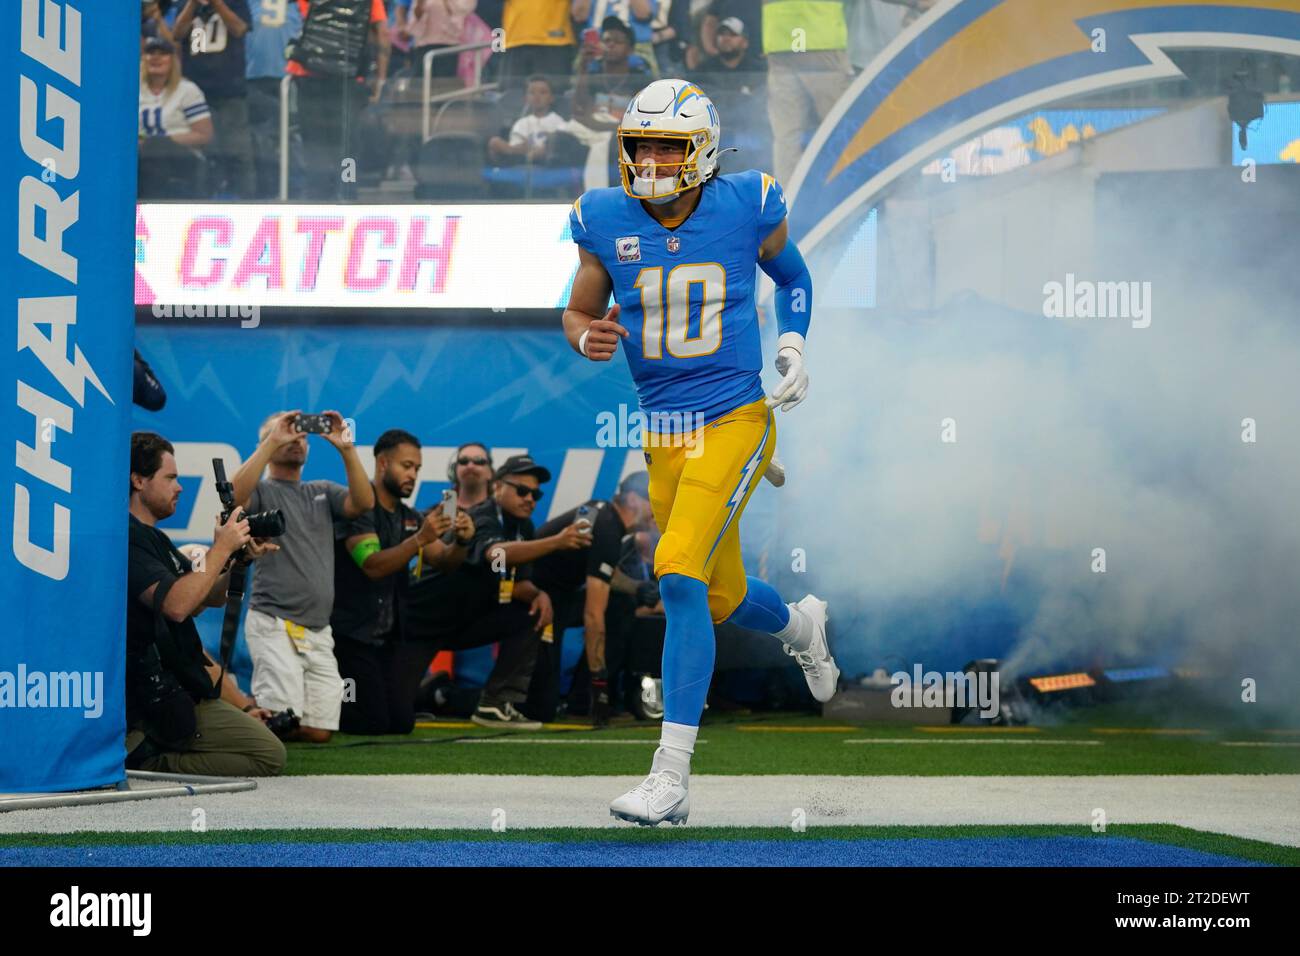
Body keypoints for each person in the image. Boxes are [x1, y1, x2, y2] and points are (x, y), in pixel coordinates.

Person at [563, 78, 839, 825]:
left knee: (677, 575)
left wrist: (792, 341)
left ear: (702, 152)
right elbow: (579, 306)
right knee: (716, 598)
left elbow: (794, 276)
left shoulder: (746, 201)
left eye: (668, 146)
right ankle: (803, 627)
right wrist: (582, 332)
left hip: (736, 418)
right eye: (640, 145)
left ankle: (671, 775)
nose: (650, 159)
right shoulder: (604, 216)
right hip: (666, 434)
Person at [126, 432, 286, 776]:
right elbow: (178, 605)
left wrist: (237, 561)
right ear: (138, 480)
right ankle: (151, 760)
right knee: (268, 757)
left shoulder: (155, 539)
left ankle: (160, 750)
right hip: (154, 692)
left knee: (271, 752)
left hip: (182, 685)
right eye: (170, 478)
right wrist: (222, 548)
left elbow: (204, 598)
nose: (180, 487)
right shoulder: (128, 537)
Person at [405, 455, 589, 727]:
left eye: (536, 493)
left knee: (530, 612)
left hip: (464, 622)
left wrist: (538, 595)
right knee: (392, 714)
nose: (530, 499)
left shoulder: (523, 527)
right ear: (497, 488)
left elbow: (519, 583)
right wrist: (558, 541)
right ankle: (431, 693)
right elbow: (497, 556)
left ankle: (495, 703)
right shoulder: (482, 516)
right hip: (421, 622)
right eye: (522, 490)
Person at [229, 410, 377, 743]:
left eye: (302, 436)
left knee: (319, 732)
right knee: (281, 723)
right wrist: (271, 442)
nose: (296, 440)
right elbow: (234, 496)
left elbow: (364, 504)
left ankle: (247, 716)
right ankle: (244, 720)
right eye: (286, 434)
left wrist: (346, 449)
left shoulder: (321, 490)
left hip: (318, 629)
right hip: (274, 622)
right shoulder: (263, 492)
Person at [331, 429, 475, 735]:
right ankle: (318, 702)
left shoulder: (408, 516)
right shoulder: (359, 510)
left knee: (401, 723)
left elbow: (444, 561)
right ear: (383, 464)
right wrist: (420, 539)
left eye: (417, 469)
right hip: (350, 637)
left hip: (388, 639)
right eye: (406, 466)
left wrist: (463, 541)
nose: (413, 475)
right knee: (372, 723)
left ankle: (425, 688)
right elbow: (372, 566)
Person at [528, 471, 654, 724]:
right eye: (655, 500)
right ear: (633, 500)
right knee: (540, 709)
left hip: (557, 599)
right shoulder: (608, 529)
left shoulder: (600, 513)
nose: (659, 508)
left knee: (621, 604)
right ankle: (589, 699)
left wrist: (638, 588)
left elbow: (604, 572)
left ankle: (580, 701)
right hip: (533, 602)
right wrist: (600, 683)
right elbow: (593, 615)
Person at [288, 0, 391, 199]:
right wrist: (380, 78)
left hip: (309, 73)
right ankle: (348, 189)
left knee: (314, 142)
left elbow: (301, 22)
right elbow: (382, 34)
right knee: (348, 144)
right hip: (349, 76)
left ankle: (317, 192)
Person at [169, 0, 257, 197]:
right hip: (195, 92)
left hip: (229, 89)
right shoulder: (186, 4)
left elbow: (240, 28)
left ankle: (245, 199)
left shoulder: (236, 2)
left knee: (238, 150)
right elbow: (177, 33)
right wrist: (192, 5)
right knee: (204, 152)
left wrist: (217, 4)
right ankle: (203, 197)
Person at [138, 36, 214, 199]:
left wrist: (163, 141)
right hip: (143, 157)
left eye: (163, 54)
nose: (156, 58)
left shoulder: (187, 90)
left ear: (173, 60)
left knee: (157, 147)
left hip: (182, 158)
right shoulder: (134, 90)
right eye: (151, 53)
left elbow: (203, 135)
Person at [488, 74, 568, 163]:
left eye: (543, 92)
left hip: (547, 162)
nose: (537, 96)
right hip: (522, 162)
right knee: (494, 142)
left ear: (551, 98)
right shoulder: (521, 123)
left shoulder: (558, 121)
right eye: (532, 92)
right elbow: (514, 147)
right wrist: (521, 149)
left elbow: (559, 146)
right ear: (526, 98)